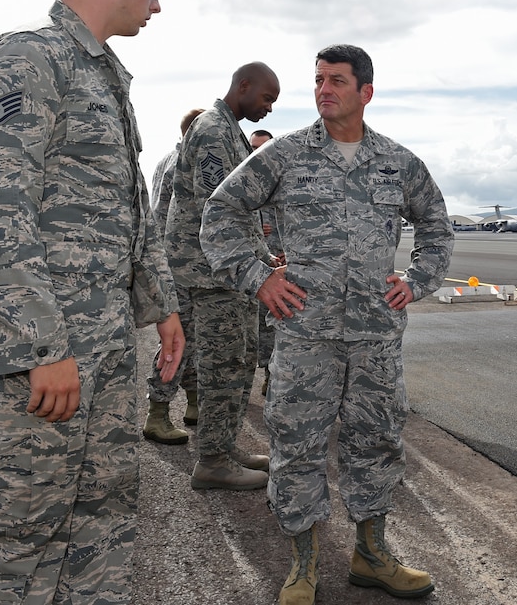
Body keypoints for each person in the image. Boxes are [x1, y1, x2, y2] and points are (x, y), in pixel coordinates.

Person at [0, 0, 184, 605]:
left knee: (100, 529)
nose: (157, 2)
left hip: (106, 358)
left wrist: (162, 307)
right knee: (18, 544)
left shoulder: (108, 77)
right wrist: (40, 343)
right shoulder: (28, 59)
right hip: (44, 365)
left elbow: (130, 212)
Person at [200, 44, 454, 604]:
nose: (323, 90)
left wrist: (415, 280)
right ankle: (304, 564)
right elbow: (220, 211)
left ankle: (371, 555)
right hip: (305, 334)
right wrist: (258, 277)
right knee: (297, 445)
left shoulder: (398, 162)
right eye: (318, 80)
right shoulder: (285, 156)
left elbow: (436, 225)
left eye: (336, 81)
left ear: (365, 92)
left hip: (375, 338)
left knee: (378, 441)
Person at [165, 62, 280, 490]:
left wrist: (264, 260)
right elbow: (220, 209)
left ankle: (224, 445)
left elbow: (240, 214)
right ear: (243, 86)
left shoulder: (227, 129)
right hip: (214, 273)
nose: (268, 108)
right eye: (266, 98)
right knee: (224, 363)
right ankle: (212, 460)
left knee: (239, 359)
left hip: (225, 271)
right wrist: (254, 264)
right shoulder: (214, 131)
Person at [142, 107, 205, 444]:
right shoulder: (185, 163)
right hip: (183, 268)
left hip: (176, 265)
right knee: (177, 343)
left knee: (191, 341)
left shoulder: (168, 158)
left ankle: (194, 404)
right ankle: (157, 413)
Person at [249, 128, 282, 397]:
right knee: (250, 331)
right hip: (252, 270)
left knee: (277, 327)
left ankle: (273, 376)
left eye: (263, 147)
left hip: (282, 268)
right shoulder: (243, 184)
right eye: (254, 148)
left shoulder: (286, 180)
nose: (258, 153)